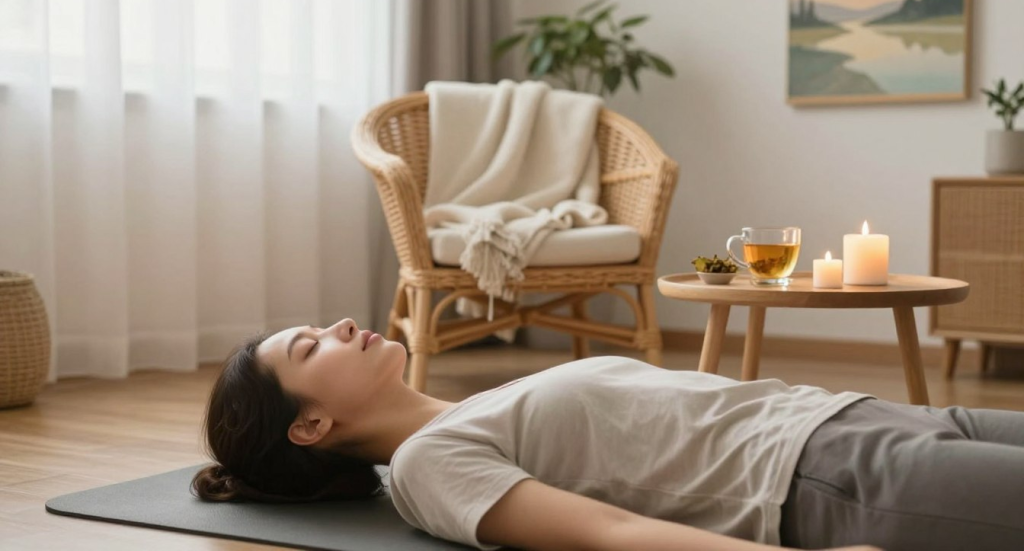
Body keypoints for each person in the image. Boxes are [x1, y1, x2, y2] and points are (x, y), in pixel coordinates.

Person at [192, 318, 1024, 551]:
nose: (340, 324)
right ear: (310, 424)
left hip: (863, 415)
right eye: (312, 347)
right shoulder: (424, 465)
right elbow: (607, 530)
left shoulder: (478, 402)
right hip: (827, 479)